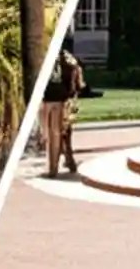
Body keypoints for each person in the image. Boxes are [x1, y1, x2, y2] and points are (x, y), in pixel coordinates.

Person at [40, 47, 71, 179]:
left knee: (52, 133)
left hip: (51, 99)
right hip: (57, 98)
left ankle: (53, 167)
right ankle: (53, 166)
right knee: (54, 133)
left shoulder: (63, 62)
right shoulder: (64, 61)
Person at [59, 36, 85, 174]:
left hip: (58, 100)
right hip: (70, 100)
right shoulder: (73, 62)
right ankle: (68, 158)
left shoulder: (58, 62)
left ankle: (67, 159)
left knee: (60, 132)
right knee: (67, 131)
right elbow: (80, 85)